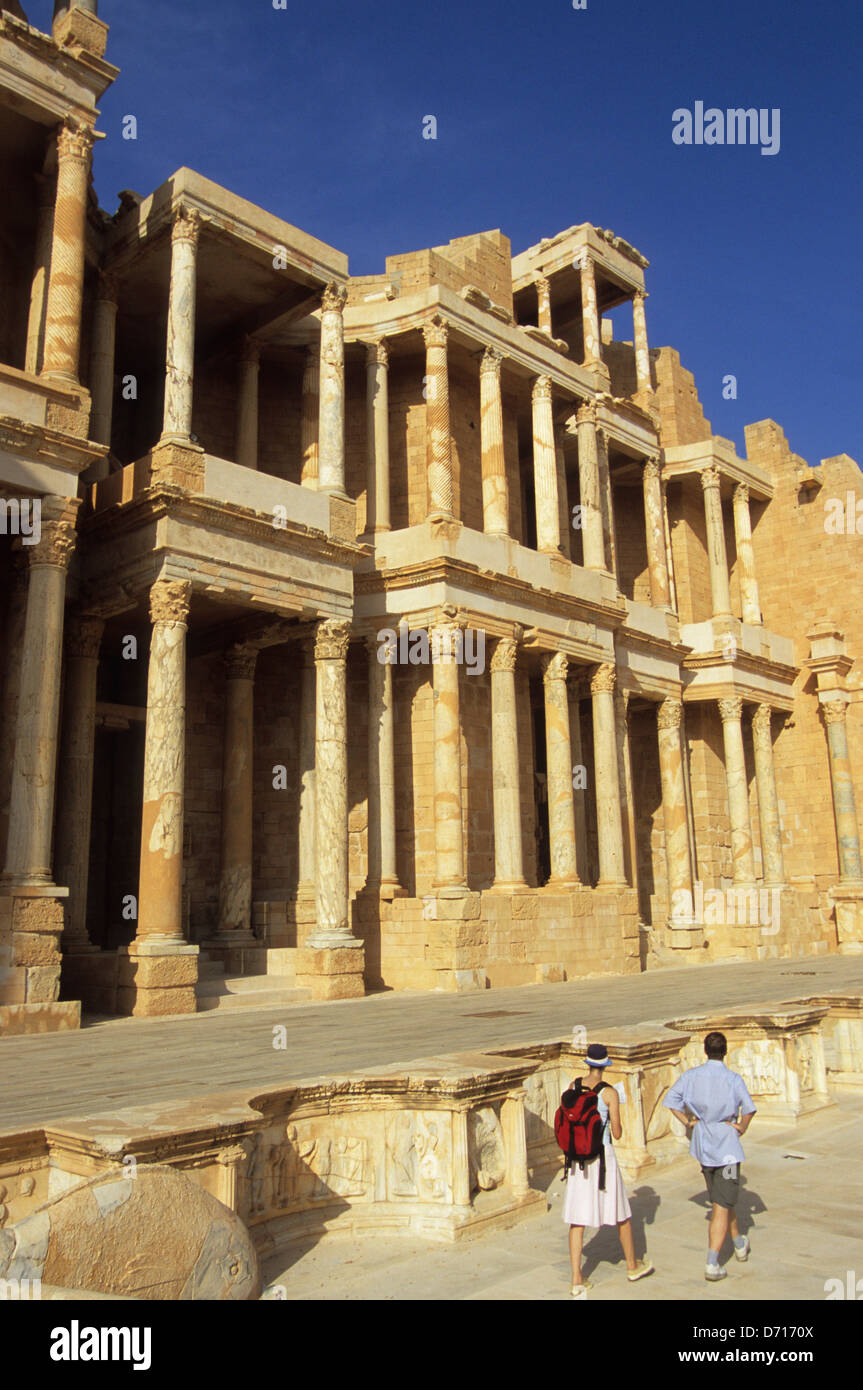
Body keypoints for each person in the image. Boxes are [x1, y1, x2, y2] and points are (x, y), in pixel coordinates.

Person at [664, 1030, 757, 1281]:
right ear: (724, 1052)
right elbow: (749, 1109)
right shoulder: (733, 1079)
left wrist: (688, 1121)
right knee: (721, 1204)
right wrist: (742, 1127)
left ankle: (738, 1243)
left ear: (706, 1051)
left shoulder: (692, 1076)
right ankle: (712, 1263)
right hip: (726, 1149)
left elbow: (671, 1100)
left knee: (721, 1199)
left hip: (704, 1145)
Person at [563, 1043, 654, 1297]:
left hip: (578, 1158)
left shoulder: (573, 1086)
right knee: (622, 1213)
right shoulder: (610, 1093)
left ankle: (576, 1280)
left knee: (577, 1220)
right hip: (603, 1156)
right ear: (605, 1065)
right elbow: (616, 1131)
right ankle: (633, 1266)